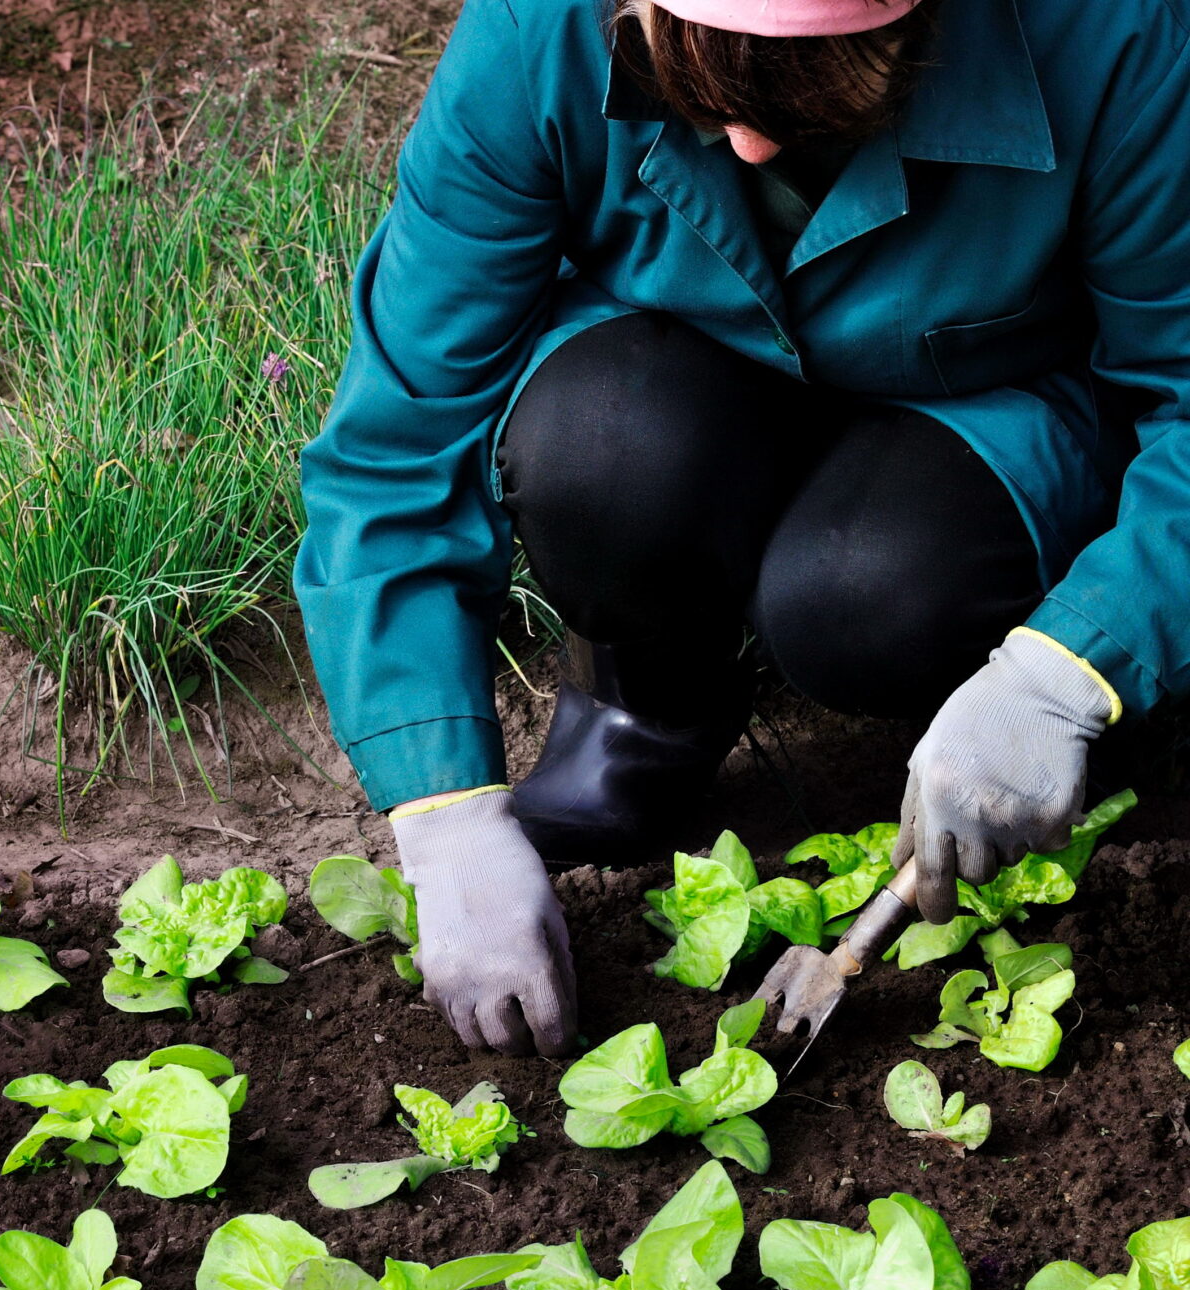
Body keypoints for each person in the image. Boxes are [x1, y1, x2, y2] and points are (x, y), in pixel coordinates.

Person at [296, 0, 1190, 1054]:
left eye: (809, 96)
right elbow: (399, 437)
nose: (754, 145)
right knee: (602, 457)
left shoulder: (1109, 36)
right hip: (683, 366)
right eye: (705, 87)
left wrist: (1073, 667)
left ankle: (980, 719)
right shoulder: (539, 31)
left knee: (862, 595)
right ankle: (646, 715)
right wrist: (438, 809)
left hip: (982, 398)